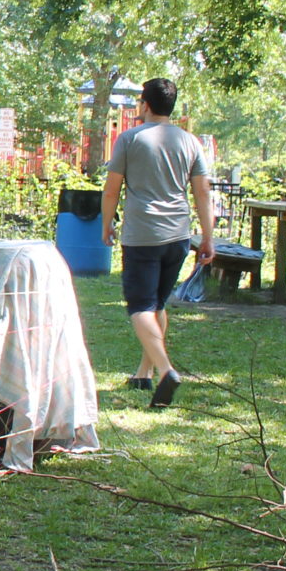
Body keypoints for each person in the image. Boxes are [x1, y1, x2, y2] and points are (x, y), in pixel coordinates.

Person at [101, 77, 216, 408]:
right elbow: (202, 192)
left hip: (142, 236)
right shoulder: (190, 141)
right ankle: (144, 372)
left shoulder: (129, 139)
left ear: (145, 104)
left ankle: (166, 371)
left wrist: (107, 224)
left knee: (140, 307)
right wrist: (206, 237)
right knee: (158, 304)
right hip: (178, 236)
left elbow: (112, 189)